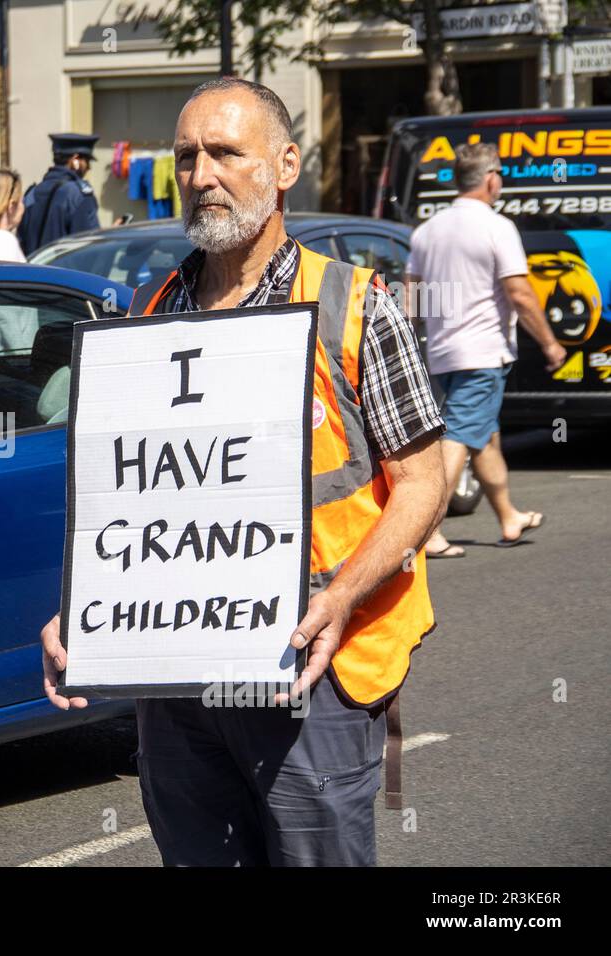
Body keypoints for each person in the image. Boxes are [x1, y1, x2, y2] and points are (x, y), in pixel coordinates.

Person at [41, 78, 449, 866]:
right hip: (178, 684)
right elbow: (128, 501)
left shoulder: (354, 305)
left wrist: (338, 598)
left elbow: (424, 484)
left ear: (285, 164)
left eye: (226, 152)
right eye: (187, 156)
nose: (202, 174)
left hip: (316, 673)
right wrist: (82, 612)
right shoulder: (151, 313)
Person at [407, 142, 567, 557]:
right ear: (491, 178)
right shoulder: (497, 227)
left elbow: (413, 299)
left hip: (442, 354)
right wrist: (550, 343)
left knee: (485, 438)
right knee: (459, 434)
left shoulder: (427, 231)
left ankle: (508, 516)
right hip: (482, 354)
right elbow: (521, 293)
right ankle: (426, 530)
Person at [16, 132, 101, 257]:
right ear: (75, 160)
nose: (88, 167)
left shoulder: (32, 193)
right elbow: (89, 247)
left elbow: (22, 240)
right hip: (67, 274)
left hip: (32, 274)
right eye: (86, 161)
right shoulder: (78, 194)